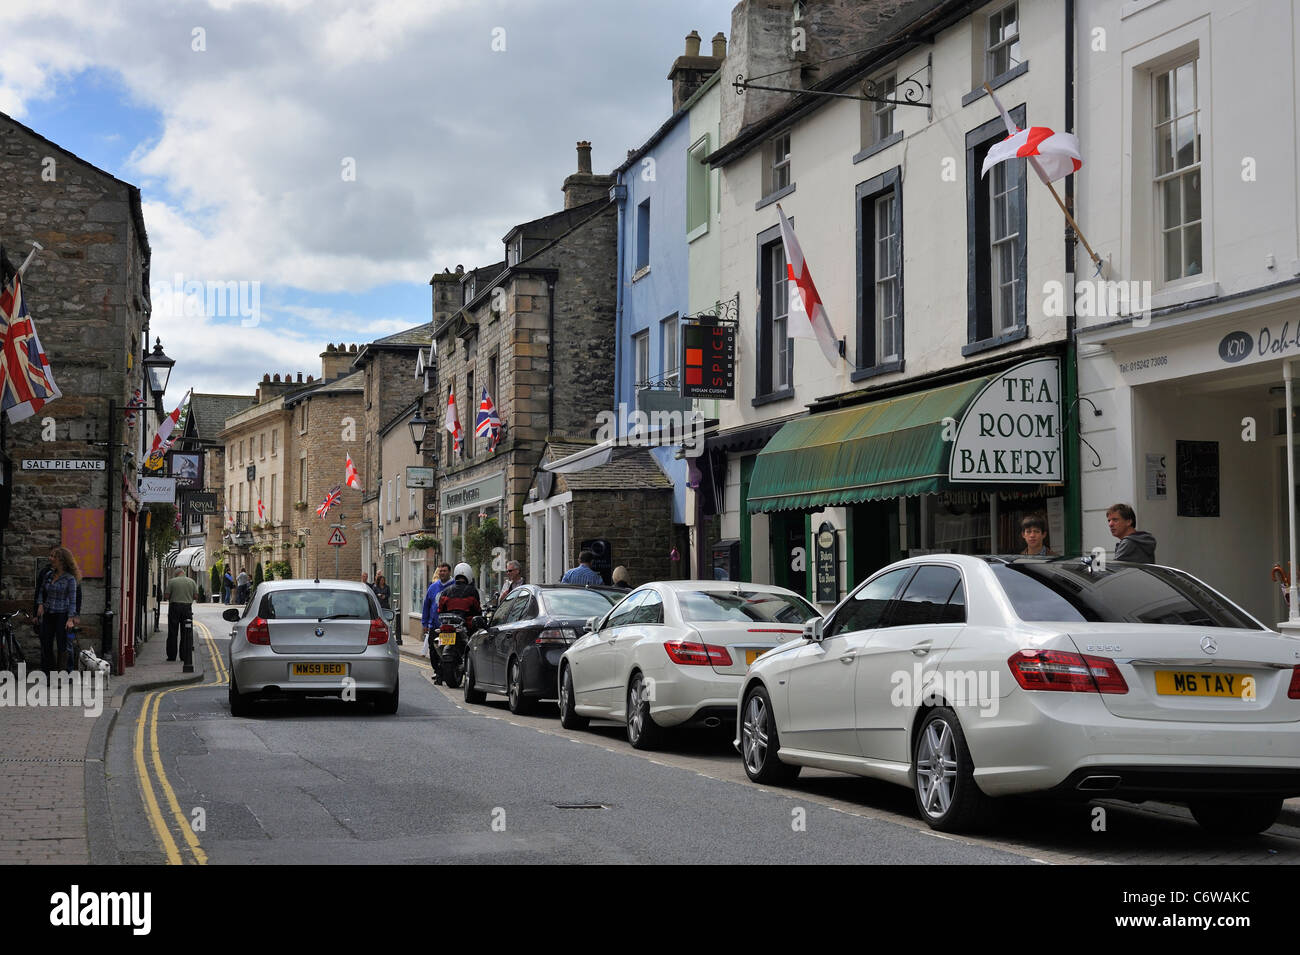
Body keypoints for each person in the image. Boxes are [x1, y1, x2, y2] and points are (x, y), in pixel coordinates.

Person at [36, 547, 81, 675]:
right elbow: (41, 591)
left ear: (61, 560)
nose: (50, 559)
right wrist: (40, 604)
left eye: (53, 557)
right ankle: (49, 673)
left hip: (62, 614)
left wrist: (71, 619)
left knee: (62, 646)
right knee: (46, 644)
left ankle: (62, 675)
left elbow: (73, 600)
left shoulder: (70, 579)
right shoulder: (49, 575)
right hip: (49, 613)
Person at [435, 563, 482, 686]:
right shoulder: (473, 592)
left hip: (448, 624)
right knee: (474, 643)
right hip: (465, 625)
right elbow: (477, 610)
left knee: (438, 645)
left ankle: (439, 675)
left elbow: (440, 609)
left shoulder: (446, 591)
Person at [164, 568, 199, 662]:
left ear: (176, 574)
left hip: (174, 607)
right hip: (187, 608)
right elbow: (196, 596)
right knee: (186, 632)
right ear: (183, 573)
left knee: (172, 632)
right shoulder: (192, 581)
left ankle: (171, 656)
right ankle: (184, 656)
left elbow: (166, 596)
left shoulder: (172, 581)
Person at [421, 562, 453, 635]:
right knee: (433, 646)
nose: (442, 573)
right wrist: (425, 624)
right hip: (434, 626)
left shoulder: (455, 586)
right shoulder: (433, 587)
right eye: (440, 571)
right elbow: (426, 606)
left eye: (444, 571)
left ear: (449, 572)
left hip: (451, 627)